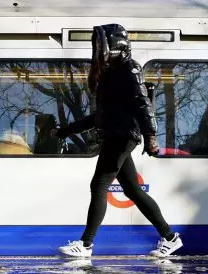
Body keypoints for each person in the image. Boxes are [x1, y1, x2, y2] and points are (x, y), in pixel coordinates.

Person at [54, 24, 183, 258]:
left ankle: (86, 245)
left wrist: (150, 136)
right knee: (132, 190)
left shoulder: (129, 69)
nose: (98, 50)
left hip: (123, 136)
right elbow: (100, 116)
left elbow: (143, 103)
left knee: (99, 185)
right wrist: (67, 130)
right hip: (116, 134)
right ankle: (170, 237)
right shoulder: (111, 74)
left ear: (115, 47)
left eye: (102, 45)